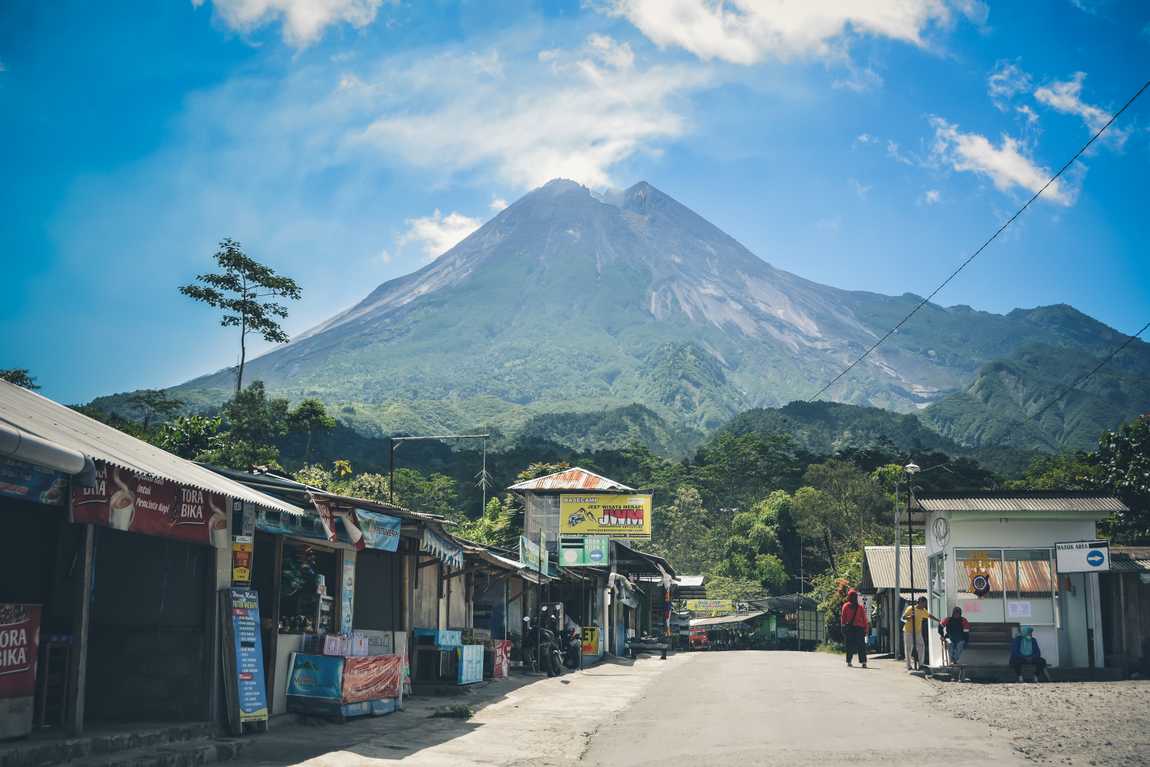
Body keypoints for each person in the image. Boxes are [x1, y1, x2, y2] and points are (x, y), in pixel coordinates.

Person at [901, 596, 936, 671]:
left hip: (917, 631)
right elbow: (904, 617)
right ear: (919, 602)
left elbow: (929, 615)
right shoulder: (911, 608)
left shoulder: (923, 610)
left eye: (925, 604)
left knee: (921, 646)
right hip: (908, 631)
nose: (924, 605)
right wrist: (910, 617)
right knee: (908, 648)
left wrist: (938, 620)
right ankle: (909, 666)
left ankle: (921, 664)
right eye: (923, 603)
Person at [840, 588, 869, 668]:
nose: (854, 598)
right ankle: (850, 661)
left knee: (860, 645)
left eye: (854, 596)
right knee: (851, 645)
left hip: (858, 628)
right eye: (852, 596)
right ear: (849, 597)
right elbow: (843, 618)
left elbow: (864, 619)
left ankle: (863, 662)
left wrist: (866, 629)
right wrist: (843, 626)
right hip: (851, 628)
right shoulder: (847, 606)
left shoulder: (859, 607)